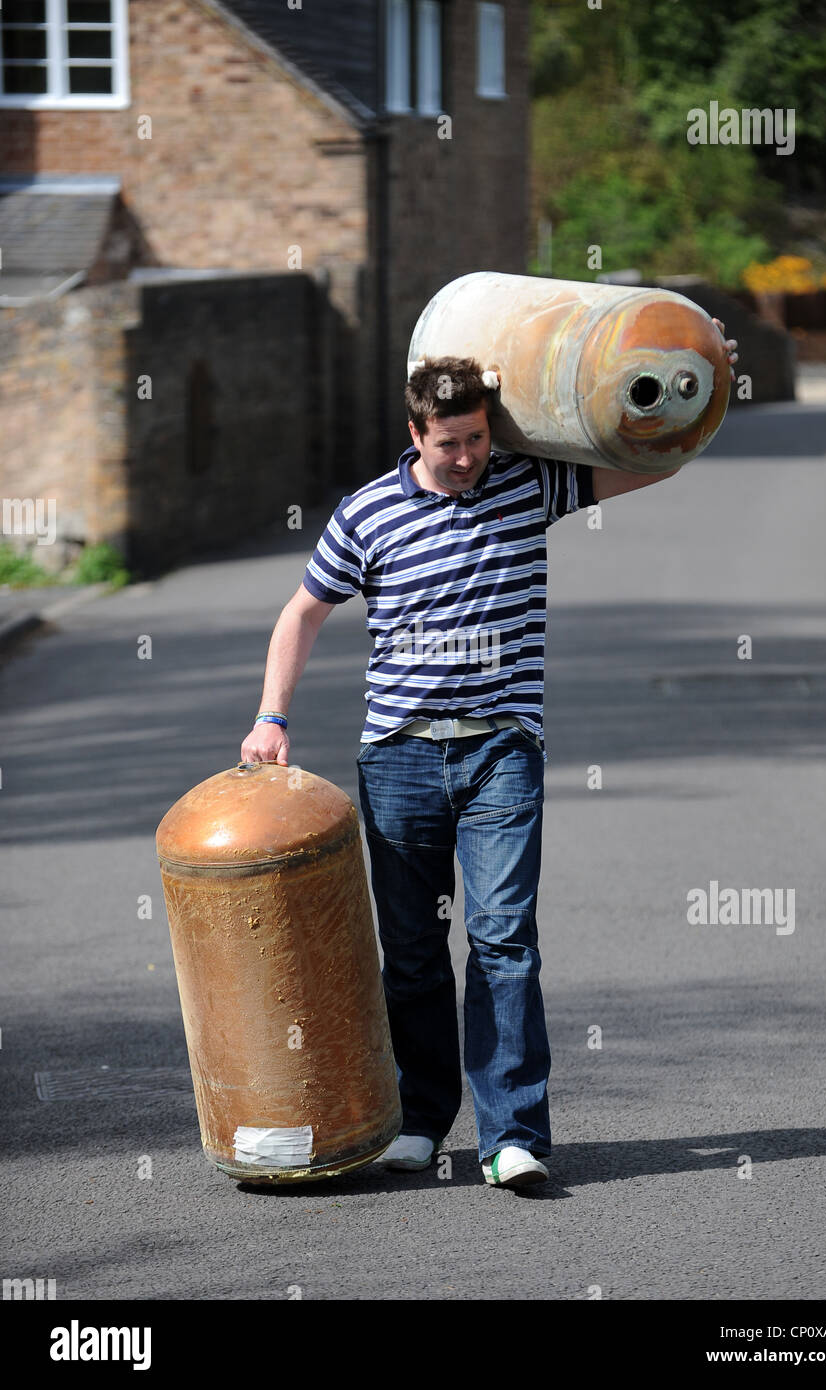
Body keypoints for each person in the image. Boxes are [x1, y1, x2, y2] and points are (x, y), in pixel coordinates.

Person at [240, 328, 738, 1189]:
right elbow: (302, 612)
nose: (467, 456)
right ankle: (421, 1120)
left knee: (504, 940)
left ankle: (513, 1134)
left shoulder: (530, 483)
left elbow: (658, 460)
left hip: (501, 751)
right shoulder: (366, 514)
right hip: (396, 757)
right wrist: (270, 717)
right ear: (415, 436)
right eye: (449, 443)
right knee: (414, 950)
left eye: (476, 438)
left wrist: (701, 372)